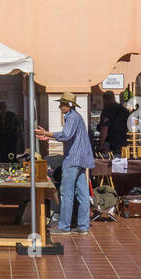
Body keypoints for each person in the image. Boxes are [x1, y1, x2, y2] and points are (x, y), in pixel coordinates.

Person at [36, 92, 94, 235]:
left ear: (68, 105)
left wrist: (47, 134)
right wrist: (49, 137)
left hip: (73, 159)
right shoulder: (77, 117)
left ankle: (64, 226)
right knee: (82, 194)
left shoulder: (72, 117)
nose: (59, 106)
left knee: (66, 193)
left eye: (62, 104)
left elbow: (66, 135)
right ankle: (83, 226)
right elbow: (68, 137)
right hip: (80, 159)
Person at [99, 92, 130, 157]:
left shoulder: (107, 110)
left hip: (112, 144)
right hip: (125, 143)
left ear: (105, 100)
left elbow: (104, 128)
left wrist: (102, 144)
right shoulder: (124, 110)